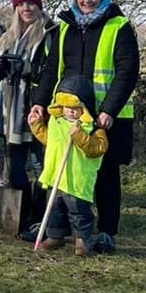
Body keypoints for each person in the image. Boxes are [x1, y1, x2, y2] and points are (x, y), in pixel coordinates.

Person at [31, 0, 138, 251]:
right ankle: (60, 231)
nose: (86, 0)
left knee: (104, 175)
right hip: (67, 114)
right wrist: (40, 102)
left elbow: (127, 72)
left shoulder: (119, 26)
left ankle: (105, 233)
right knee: (65, 172)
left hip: (105, 116)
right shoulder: (64, 27)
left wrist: (109, 110)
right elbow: (52, 68)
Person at [0, 0, 56, 236]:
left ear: (38, 6)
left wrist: (26, 69)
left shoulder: (50, 34)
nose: (26, 8)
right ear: (15, 8)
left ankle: (41, 218)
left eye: (31, 4)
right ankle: (20, 216)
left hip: (37, 109)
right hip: (10, 110)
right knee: (14, 168)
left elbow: (52, 70)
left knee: (41, 166)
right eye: (21, 4)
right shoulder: (7, 38)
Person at [29, 76, 109, 255]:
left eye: (75, 108)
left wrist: (80, 136)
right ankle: (55, 236)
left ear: (84, 107)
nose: (71, 112)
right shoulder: (57, 123)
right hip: (57, 177)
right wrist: (36, 125)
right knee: (55, 210)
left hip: (78, 181)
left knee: (79, 213)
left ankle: (83, 241)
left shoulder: (93, 128)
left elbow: (97, 149)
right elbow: (50, 141)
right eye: (67, 108)